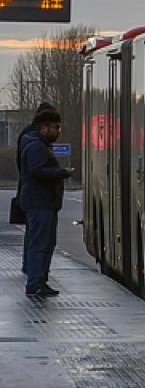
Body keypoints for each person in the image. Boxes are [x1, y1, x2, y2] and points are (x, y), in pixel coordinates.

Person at [17, 107, 74, 298]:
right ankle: (35, 284)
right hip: (39, 202)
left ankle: (40, 281)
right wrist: (62, 173)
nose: (58, 132)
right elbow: (36, 171)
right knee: (40, 244)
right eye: (56, 128)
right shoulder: (35, 146)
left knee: (46, 243)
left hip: (44, 203)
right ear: (44, 128)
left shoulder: (39, 145)